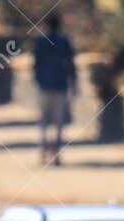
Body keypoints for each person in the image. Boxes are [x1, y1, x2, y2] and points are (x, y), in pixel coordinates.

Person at [32, 13, 78, 165]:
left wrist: (38, 81)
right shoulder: (64, 42)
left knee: (44, 119)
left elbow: (36, 65)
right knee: (58, 121)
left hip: (44, 85)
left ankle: (43, 148)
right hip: (60, 85)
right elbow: (70, 64)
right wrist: (74, 83)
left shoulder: (40, 42)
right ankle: (56, 152)